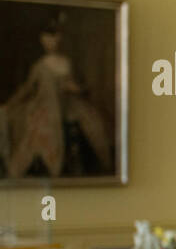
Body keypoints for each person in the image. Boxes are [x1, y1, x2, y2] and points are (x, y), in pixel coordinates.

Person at [4, 14, 113, 178]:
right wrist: (11, 104)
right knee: (39, 128)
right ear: (42, 40)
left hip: (69, 104)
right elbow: (27, 89)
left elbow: (70, 84)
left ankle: (99, 165)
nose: (52, 41)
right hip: (45, 106)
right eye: (48, 37)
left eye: (55, 37)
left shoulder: (65, 62)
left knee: (94, 123)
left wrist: (77, 89)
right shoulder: (39, 66)